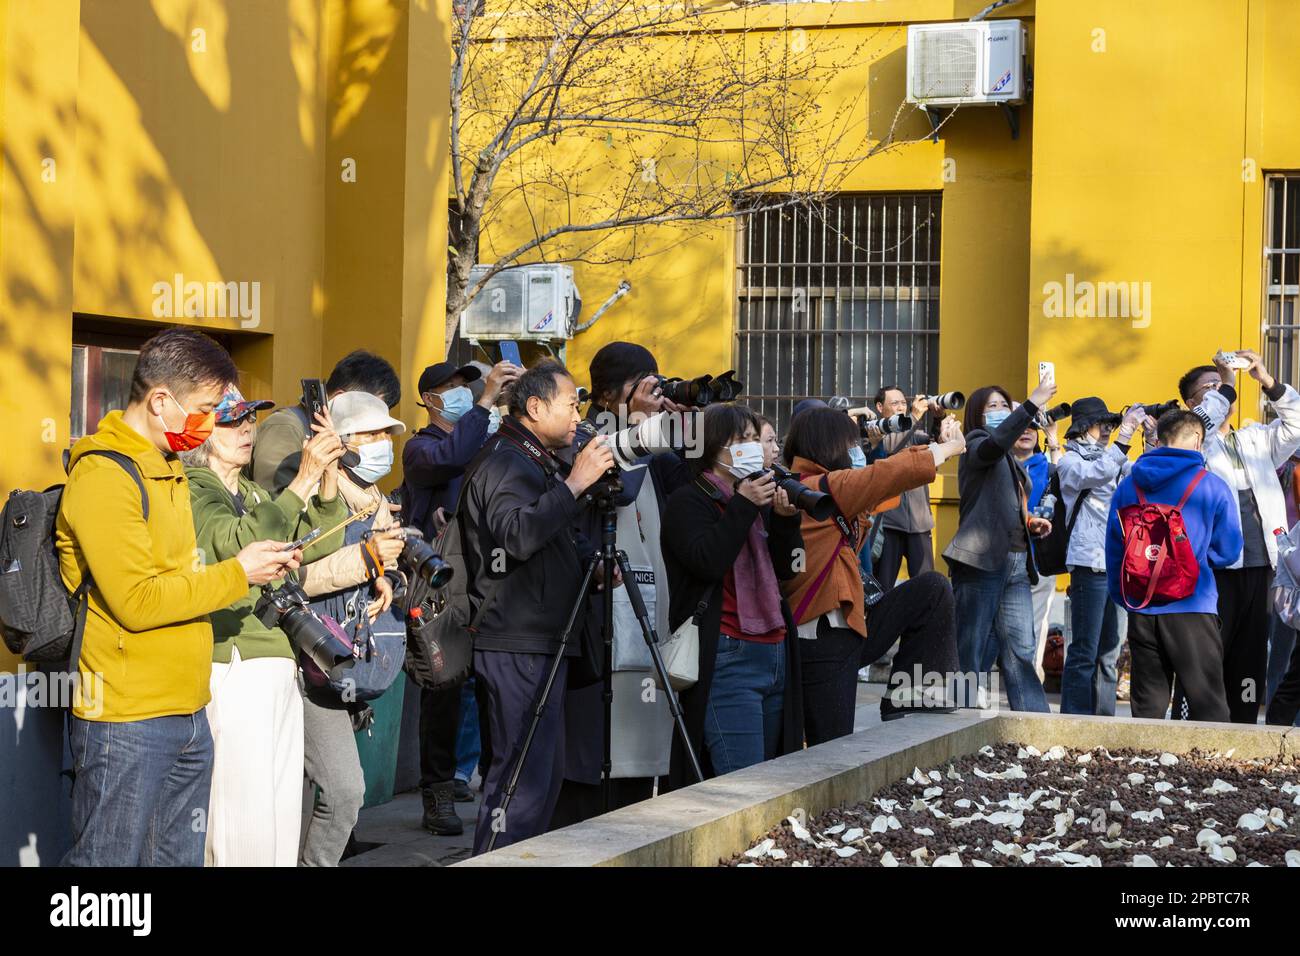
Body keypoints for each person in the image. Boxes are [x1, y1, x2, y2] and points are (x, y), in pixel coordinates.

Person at [56, 328, 301, 866]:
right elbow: (138, 600)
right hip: (127, 716)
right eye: (208, 409)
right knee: (106, 870)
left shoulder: (168, 467)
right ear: (161, 401)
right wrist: (240, 572)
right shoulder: (103, 474)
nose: (214, 424)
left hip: (189, 707)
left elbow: (184, 574)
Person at [182, 386, 348, 866]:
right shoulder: (193, 488)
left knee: (278, 814)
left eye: (249, 418)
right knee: (241, 821)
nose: (246, 429)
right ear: (202, 433)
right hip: (232, 662)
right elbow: (236, 542)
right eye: (231, 421)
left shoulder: (252, 492)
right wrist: (303, 479)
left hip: (275, 662)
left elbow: (310, 546)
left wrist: (328, 476)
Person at [460, 360, 615, 854]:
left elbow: (549, 539)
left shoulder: (535, 460)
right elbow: (517, 535)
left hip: (541, 635)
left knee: (540, 778)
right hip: (516, 638)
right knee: (520, 780)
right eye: (572, 404)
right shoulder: (506, 459)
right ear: (535, 406)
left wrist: (590, 566)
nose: (578, 416)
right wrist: (574, 486)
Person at [551, 343, 694, 829]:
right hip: (595, 621)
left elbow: (687, 482)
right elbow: (619, 490)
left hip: (648, 613)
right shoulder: (584, 438)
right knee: (592, 758)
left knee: (640, 763)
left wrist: (683, 424)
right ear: (610, 393)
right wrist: (640, 433)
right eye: (645, 386)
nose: (657, 395)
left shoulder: (651, 443)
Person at [781, 406, 965, 740]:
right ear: (830, 445)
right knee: (830, 752)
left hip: (848, 629)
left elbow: (881, 488)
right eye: (850, 442)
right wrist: (945, 449)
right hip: (821, 640)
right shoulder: (813, 490)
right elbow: (884, 476)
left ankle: (910, 700)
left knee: (933, 590)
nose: (855, 450)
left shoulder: (825, 487)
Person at [400, 358, 520, 835]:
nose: (465, 393)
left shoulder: (481, 441)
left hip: (486, 581)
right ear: (430, 399)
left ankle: (494, 788)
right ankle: (438, 793)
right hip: (439, 588)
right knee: (444, 690)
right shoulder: (421, 449)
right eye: (454, 388)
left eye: (469, 387)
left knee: (491, 688)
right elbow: (452, 456)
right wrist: (487, 400)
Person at [661, 404, 805, 787]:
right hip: (727, 655)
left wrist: (788, 524)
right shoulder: (688, 501)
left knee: (775, 780)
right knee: (745, 786)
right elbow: (707, 561)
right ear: (713, 448)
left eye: (755, 439)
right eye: (742, 440)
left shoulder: (760, 499)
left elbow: (789, 570)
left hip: (774, 649)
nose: (754, 448)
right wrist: (742, 504)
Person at [293, 390, 409, 866]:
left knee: (316, 794)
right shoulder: (313, 493)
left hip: (349, 665)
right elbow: (294, 575)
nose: (383, 442)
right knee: (344, 792)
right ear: (340, 442)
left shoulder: (376, 498)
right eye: (371, 433)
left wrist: (391, 580)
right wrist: (367, 560)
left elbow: (382, 568)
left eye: (387, 433)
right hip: (309, 664)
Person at [1179, 349, 1300, 722]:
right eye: (1210, 386)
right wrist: (1228, 384)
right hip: (1215, 568)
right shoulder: (1188, 439)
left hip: (1263, 564)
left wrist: (1267, 380)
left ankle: (1243, 725)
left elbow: (1296, 425)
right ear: (1191, 402)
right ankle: (1194, 727)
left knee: (1250, 658)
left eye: (1222, 383)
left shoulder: (1256, 438)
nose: (1220, 389)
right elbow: (1197, 428)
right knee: (1209, 654)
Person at [1107, 411, 1242, 721]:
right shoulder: (1211, 485)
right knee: (1207, 700)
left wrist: (1124, 595)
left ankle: (1146, 765)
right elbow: (1229, 550)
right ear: (1197, 439)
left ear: (1159, 439)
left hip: (1142, 604)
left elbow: (1115, 546)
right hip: (1193, 603)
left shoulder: (1129, 487)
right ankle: (1210, 766)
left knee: (1148, 703)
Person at [943, 373, 1057, 712]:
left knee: (1022, 649)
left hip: (1018, 562)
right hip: (981, 561)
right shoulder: (976, 442)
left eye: (1004, 405)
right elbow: (993, 445)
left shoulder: (1010, 458)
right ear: (977, 416)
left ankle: (1034, 725)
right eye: (991, 406)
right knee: (971, 647)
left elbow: (1006, 503)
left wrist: (1029, 523)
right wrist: (1032, 403)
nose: (999, 410)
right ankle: (958, 722)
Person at [1055, 398, 1147, 716]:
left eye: (1111, 424)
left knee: (1110, 650)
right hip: (1088, 562)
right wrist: (1125, 435)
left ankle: (1104, 720)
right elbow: (1097, 473)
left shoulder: (1115, 458)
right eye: (1102, 424)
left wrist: (1151, 439)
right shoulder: (1070, 463)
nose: (1108, 429)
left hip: (1118, 564)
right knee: (1084, 650)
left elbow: (1142, 479)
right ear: (1082, 428)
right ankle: (1075, 721)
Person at [249, 349, 401, 494]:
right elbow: (275, 505)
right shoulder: (285, 427)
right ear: (340, 398)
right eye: (372, 412)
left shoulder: (338, 434)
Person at [1014, 410, 1063, 678]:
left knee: (1035, 626)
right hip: (1004, 555)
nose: (1027, 430)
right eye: (1020, 425)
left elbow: (1066, 478)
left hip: (1040, 558)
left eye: (1033, 426)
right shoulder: (998, 464)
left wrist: (1053, 437)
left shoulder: (1048, 464)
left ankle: (1029, 686)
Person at [873, 388, 938, 589]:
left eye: (903, 403)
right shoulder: (874, 430)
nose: (901, 407)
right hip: (888, 524)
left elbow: (935, 453)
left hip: (920, 523)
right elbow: (891, 445)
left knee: (926, 588)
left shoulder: (914, 432)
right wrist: (914, 416)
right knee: (881, 590)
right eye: (895, 404)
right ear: (879, 407)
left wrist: (938, 418)